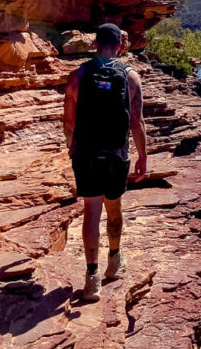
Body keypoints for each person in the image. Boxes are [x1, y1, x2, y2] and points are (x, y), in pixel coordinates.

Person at [63, 23, 147, 301]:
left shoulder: (78, 75)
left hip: (86, 153)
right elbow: (136, 122)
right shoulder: (131, 77)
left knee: (91, 212)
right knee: (114, 208)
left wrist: (71, 146)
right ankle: (114, 259)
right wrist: (143, 156)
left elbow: (68, 120)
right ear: (120, 46)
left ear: (95, 44)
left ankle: (92, 278)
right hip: (116, 153)